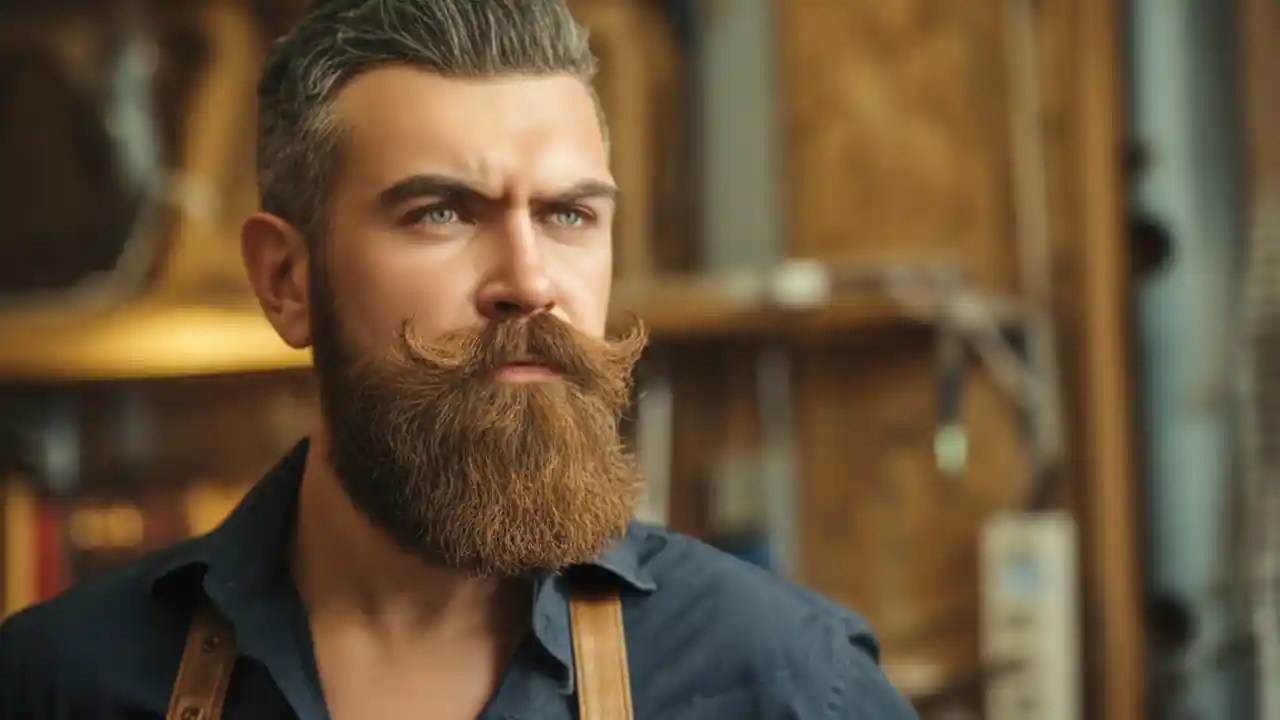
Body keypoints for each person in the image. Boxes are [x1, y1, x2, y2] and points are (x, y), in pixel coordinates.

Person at [0, 1, 917, 718]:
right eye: (441, 212)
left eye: (569, 215)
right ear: (285, 280)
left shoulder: (790, 688)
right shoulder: (60, 687)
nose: (527, 282)